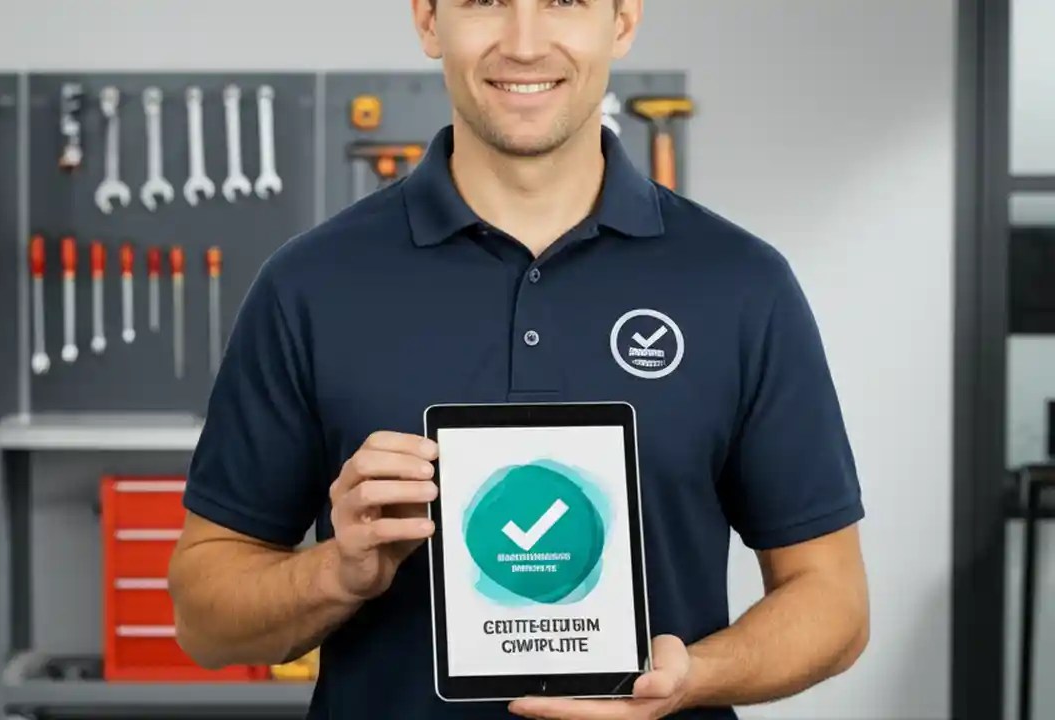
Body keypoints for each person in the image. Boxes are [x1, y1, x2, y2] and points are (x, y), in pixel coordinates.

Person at [167, 0, 870, 718]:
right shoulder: (309, 285)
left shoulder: (741, 284)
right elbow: (203, 619)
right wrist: (336, 575)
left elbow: (834, 601)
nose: (525, 43)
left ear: (623, 20)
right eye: (486, 2)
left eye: (563, 1)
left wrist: (696, 675)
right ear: (429, 20)